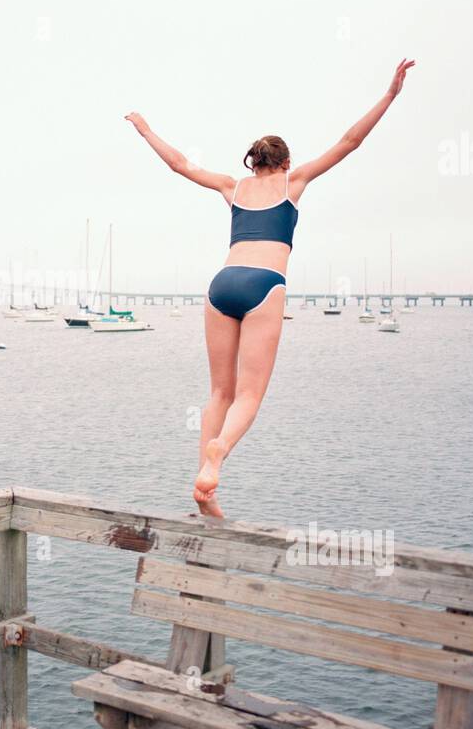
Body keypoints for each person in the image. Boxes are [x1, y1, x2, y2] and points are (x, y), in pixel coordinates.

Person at [125, 59, 414, 517]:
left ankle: (205, 487)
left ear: (252, 164)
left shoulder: (231, 186)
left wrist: (144, 129)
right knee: (250, 395)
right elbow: (350, 142)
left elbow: (179, 164)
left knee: (219, 392)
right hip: (264, 285)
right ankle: (218, 455)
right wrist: (390, 95)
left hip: (221, 285)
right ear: (284, 163)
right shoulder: (293, 182)